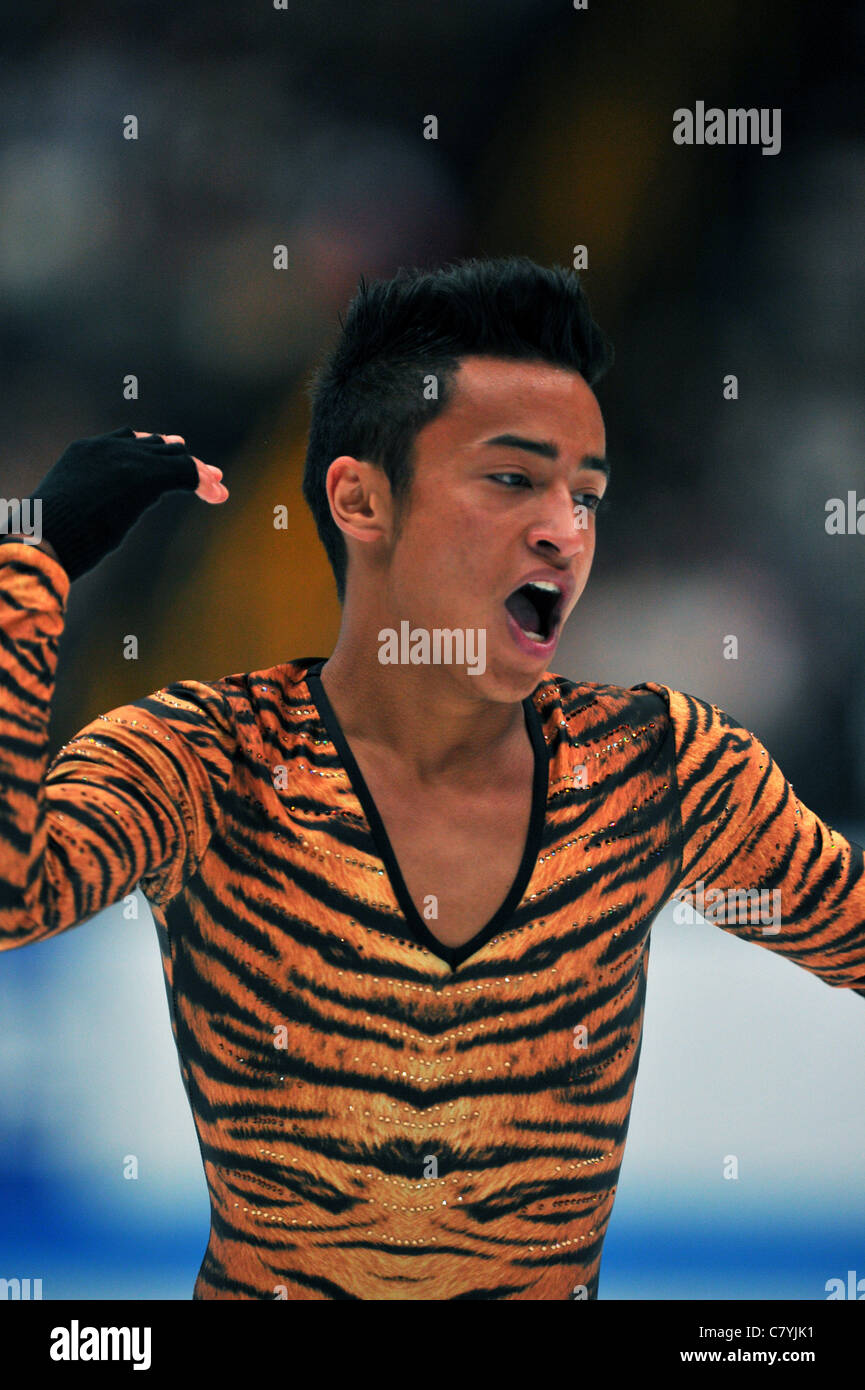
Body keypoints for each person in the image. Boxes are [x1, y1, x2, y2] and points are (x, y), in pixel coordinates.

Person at [1, 257, 863, 1301]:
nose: (565, 530)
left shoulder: (662, 770)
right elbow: (14, 895)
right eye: (511, 478)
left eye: (585, 493)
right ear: (361, 500)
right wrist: (30, 564)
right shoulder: (205, 757)